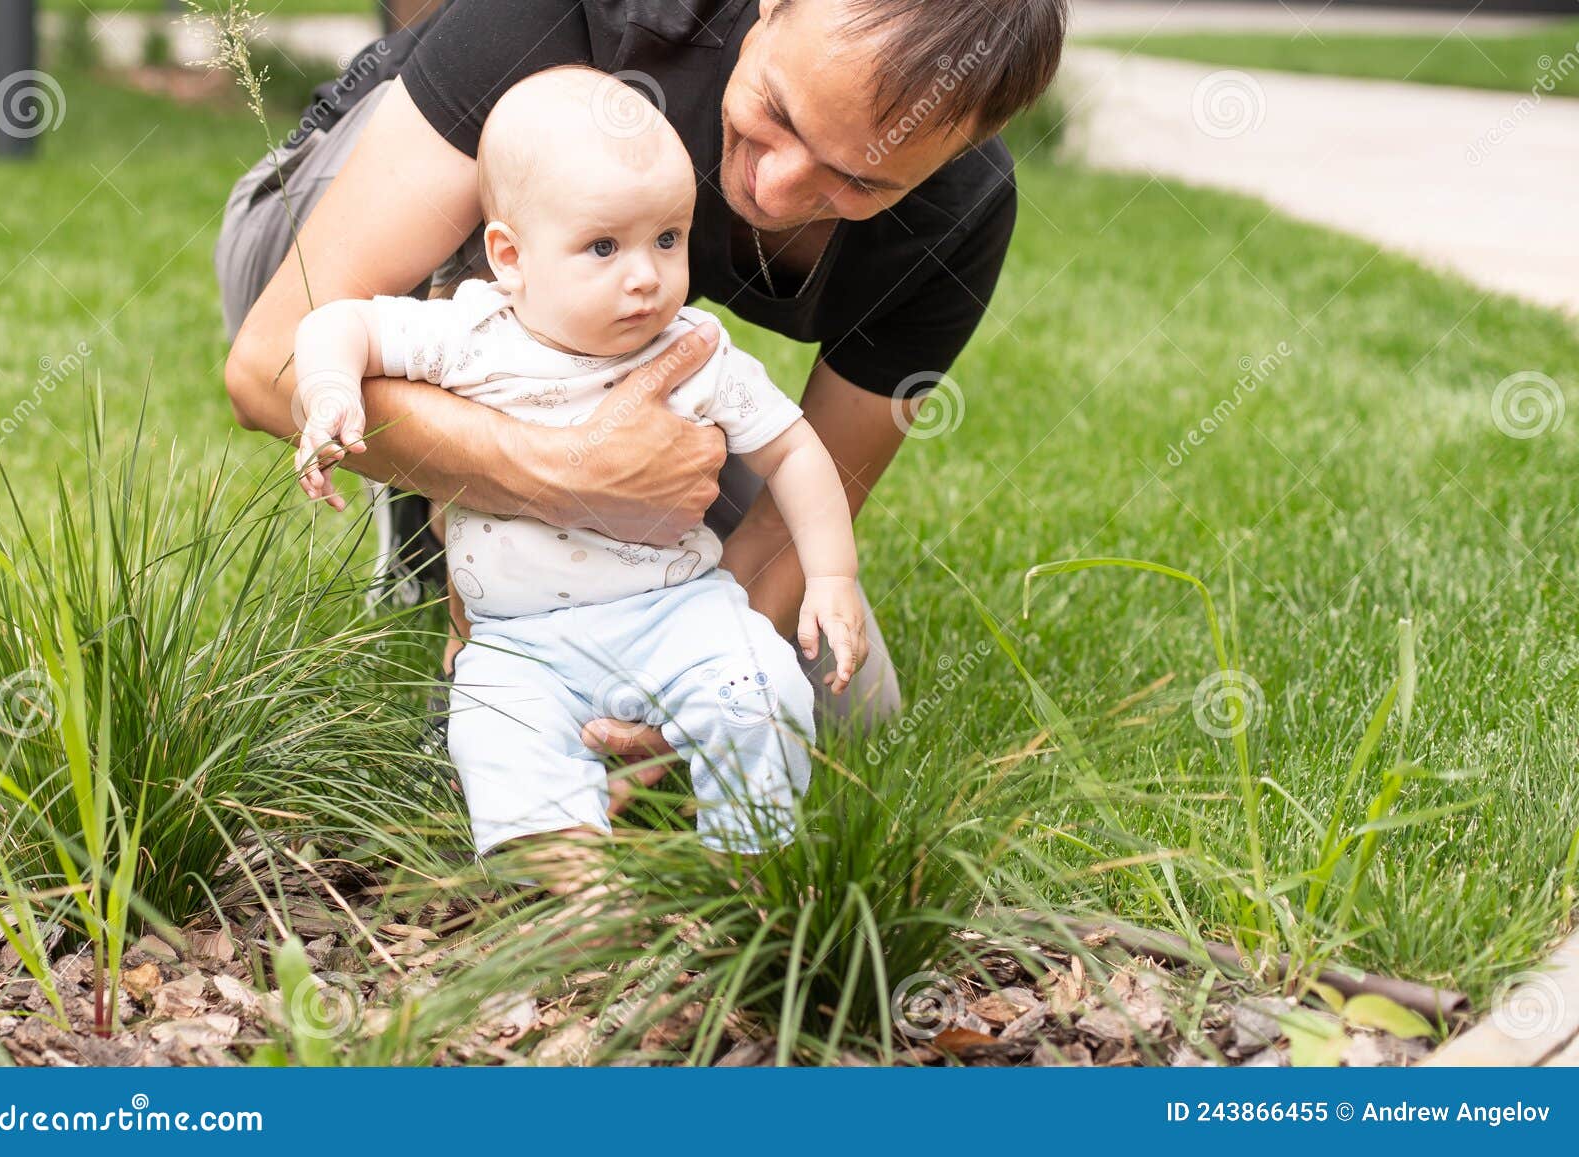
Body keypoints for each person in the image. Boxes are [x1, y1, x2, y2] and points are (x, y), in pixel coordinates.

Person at [218, 0, 1067, 770]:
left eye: (859, 181)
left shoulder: (960, 212)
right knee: (544, 178)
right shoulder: (572, 18)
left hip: (613, 351)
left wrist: (670, 701)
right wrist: (564, 473)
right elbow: (268, 366)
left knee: (844, 705)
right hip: (329, 259)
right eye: (776, 114)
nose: (778, 190)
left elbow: (795, 511)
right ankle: (448, 539)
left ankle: (483, 509)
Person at [292, 66, 865, 855]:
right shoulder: (473, 335)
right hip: (516, 637)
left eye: (667, 239)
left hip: (677, 612)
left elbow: (795, 447)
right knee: (497, 739)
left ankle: (750, 861)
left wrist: (833, 574)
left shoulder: (694, 350)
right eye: (603, 246)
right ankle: (579, 892)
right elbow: (337, 325)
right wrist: (332, 393)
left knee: (760, 688)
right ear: (511, 256)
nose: (645, 276)